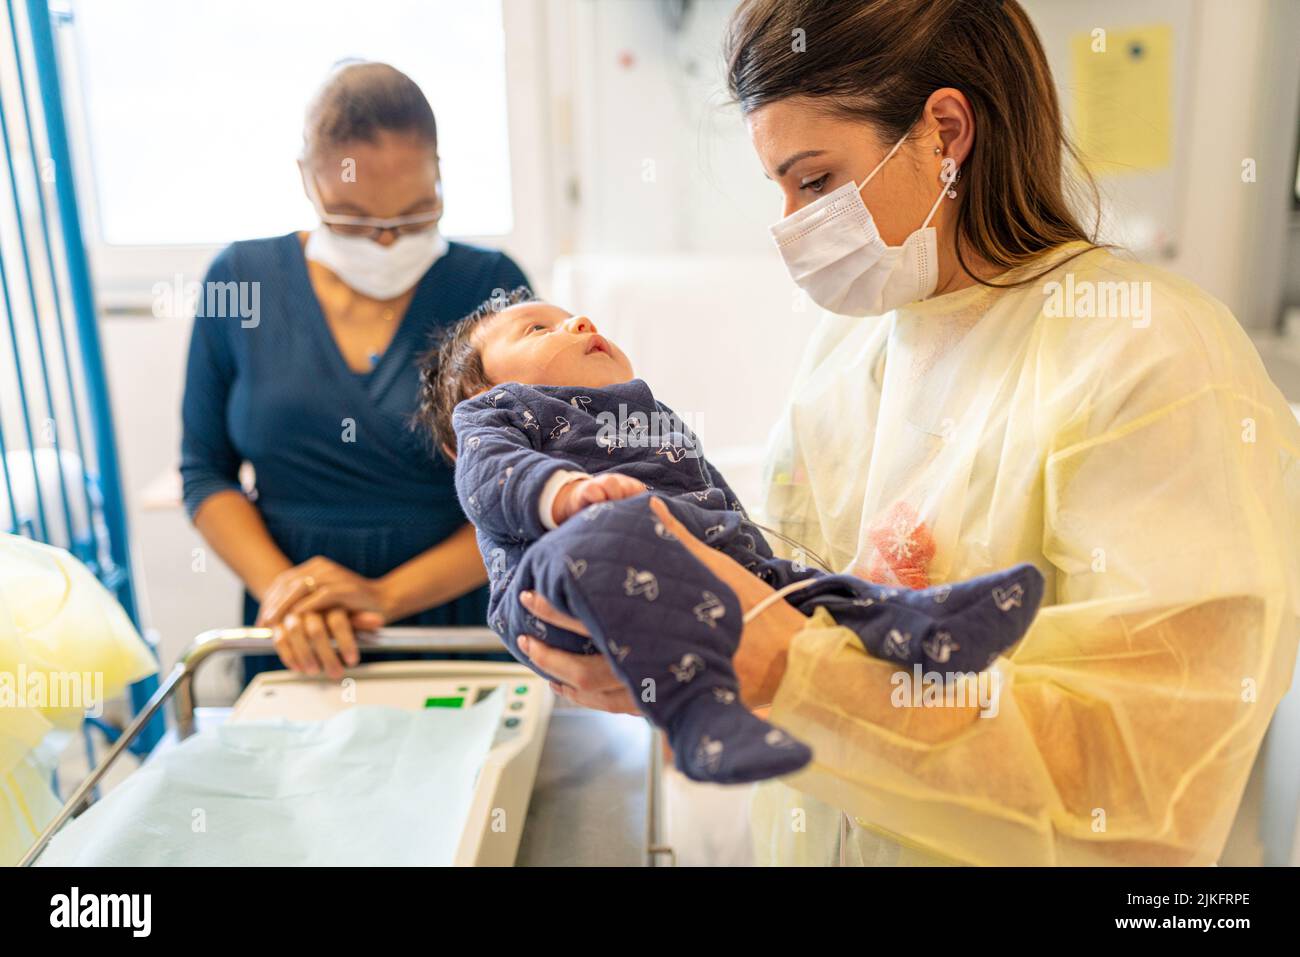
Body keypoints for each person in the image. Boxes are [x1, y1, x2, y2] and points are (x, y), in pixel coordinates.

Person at [514, 0, 1300, 865]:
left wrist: (778, 671)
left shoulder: (1154, 360)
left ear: (945, 131)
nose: (788, 226)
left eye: (813, 181)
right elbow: (805, 593)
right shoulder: (856, 338)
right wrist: (681, 644)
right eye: (777, 187)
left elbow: (1144, 786)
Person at [416, 289, 1044, 783]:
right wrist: (564, 494)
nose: (577, 322)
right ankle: (698, 717)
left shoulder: (644, 413)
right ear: (488, 388)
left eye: (570, 315)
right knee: (617, 526)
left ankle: (926, 630)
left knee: (802, 590)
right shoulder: (492, 415)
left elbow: (714, 498)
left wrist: (758, 568)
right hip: (555, 580)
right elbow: (489, 478)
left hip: (676, 562)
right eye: (537, 328)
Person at [181, 62, 528, 681]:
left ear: (441, 173)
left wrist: (382, 599)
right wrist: (288, 593)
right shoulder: (241, 280)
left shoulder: (489, 285)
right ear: (306, 181)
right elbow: (205, 474)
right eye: (354, 220)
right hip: (298, 634)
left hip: (456, 625)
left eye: (417, 215)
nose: (388, 243)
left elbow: (523, 486)